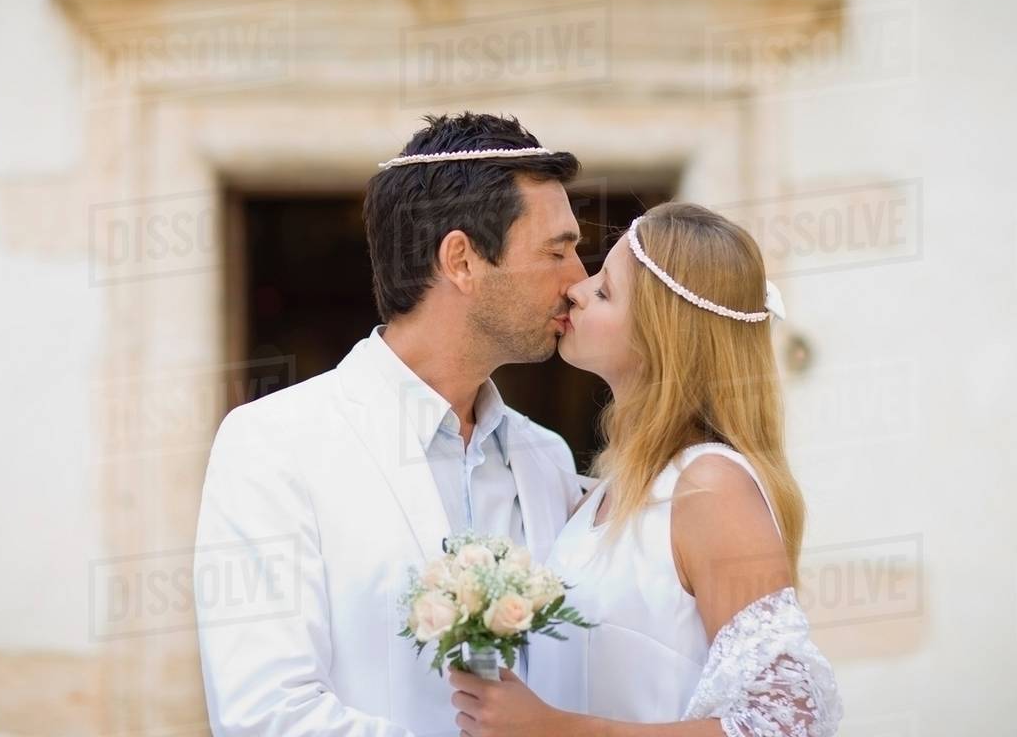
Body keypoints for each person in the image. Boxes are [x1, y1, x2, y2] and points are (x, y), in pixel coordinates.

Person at [193, 112, 593, 736]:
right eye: (557, 252)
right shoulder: (273, 444)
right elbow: (265, 717)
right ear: (461, 260)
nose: (578, 282)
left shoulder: (548, 458)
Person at [448, 202, 843, 736]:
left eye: (605, 290)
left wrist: (556, 730)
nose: (577, 290)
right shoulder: (603, 492)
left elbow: (788, 720)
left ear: (663, 337)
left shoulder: (710, 487)